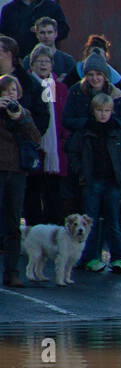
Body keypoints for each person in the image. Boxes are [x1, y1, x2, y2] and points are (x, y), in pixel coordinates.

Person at [69, 92, 121, 275]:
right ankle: (91, 257)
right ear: (93, 111)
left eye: (107, 110)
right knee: (91, 221)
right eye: (99, 110)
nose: (103, 114)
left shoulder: (118, 131)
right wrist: (81, 171)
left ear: (112, 111)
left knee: (113, 220)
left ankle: (117, 258)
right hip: (92, 182)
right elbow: (73, 153)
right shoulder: (86, 131)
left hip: (113, 182)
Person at [0, 73, 41, 287]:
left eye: (13, 90)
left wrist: (21, 118)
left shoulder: (24, 113)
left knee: (13, 223)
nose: (10, 95)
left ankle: (12, 272)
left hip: (17, 173)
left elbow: (36, 139)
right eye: (5, 91)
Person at [21, 44, 69, 225]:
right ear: (31, 64)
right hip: (34, 148)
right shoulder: (26, 86)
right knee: (32, 193)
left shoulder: (61, 88)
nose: (43, 65)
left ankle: (54, 235)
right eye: (39, 61)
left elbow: (64, 117)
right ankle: (33, 234)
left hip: (56, 150)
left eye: (47, 61)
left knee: (54, 195)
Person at [0, 0, 69, 59]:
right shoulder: (9, 9)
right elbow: (3, 34)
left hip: (46, 58)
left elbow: (64, 29)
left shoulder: (52, 7)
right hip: (18, 57)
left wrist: (46, 33)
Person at [0, 33, 49, 138]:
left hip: (22, 145)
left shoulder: (30, 83)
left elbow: (42, 118)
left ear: (9, 54)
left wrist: (23, 119)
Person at [22, 17, 76, 83]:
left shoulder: (67, 60)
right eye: (42, 33)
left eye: (49, 32)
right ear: (37, 35)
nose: (46, 36)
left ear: (56, 34)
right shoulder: (28, 60)